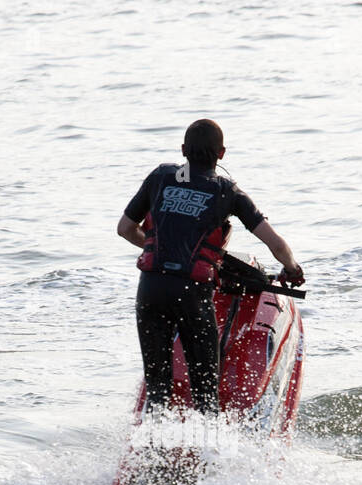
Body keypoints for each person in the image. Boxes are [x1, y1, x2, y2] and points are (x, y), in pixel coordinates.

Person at [117, 119, 303, 415]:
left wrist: (160, 249)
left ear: (183, 150)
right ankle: (210, 455)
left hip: (150, 290)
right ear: (222, 154)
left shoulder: (160, 176)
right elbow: (277, 245)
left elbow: (126, 228)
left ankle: (151, 453)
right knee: (206, 394)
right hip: (191, 294)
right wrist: (292, 269)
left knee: (157, 391)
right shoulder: (227, 191)